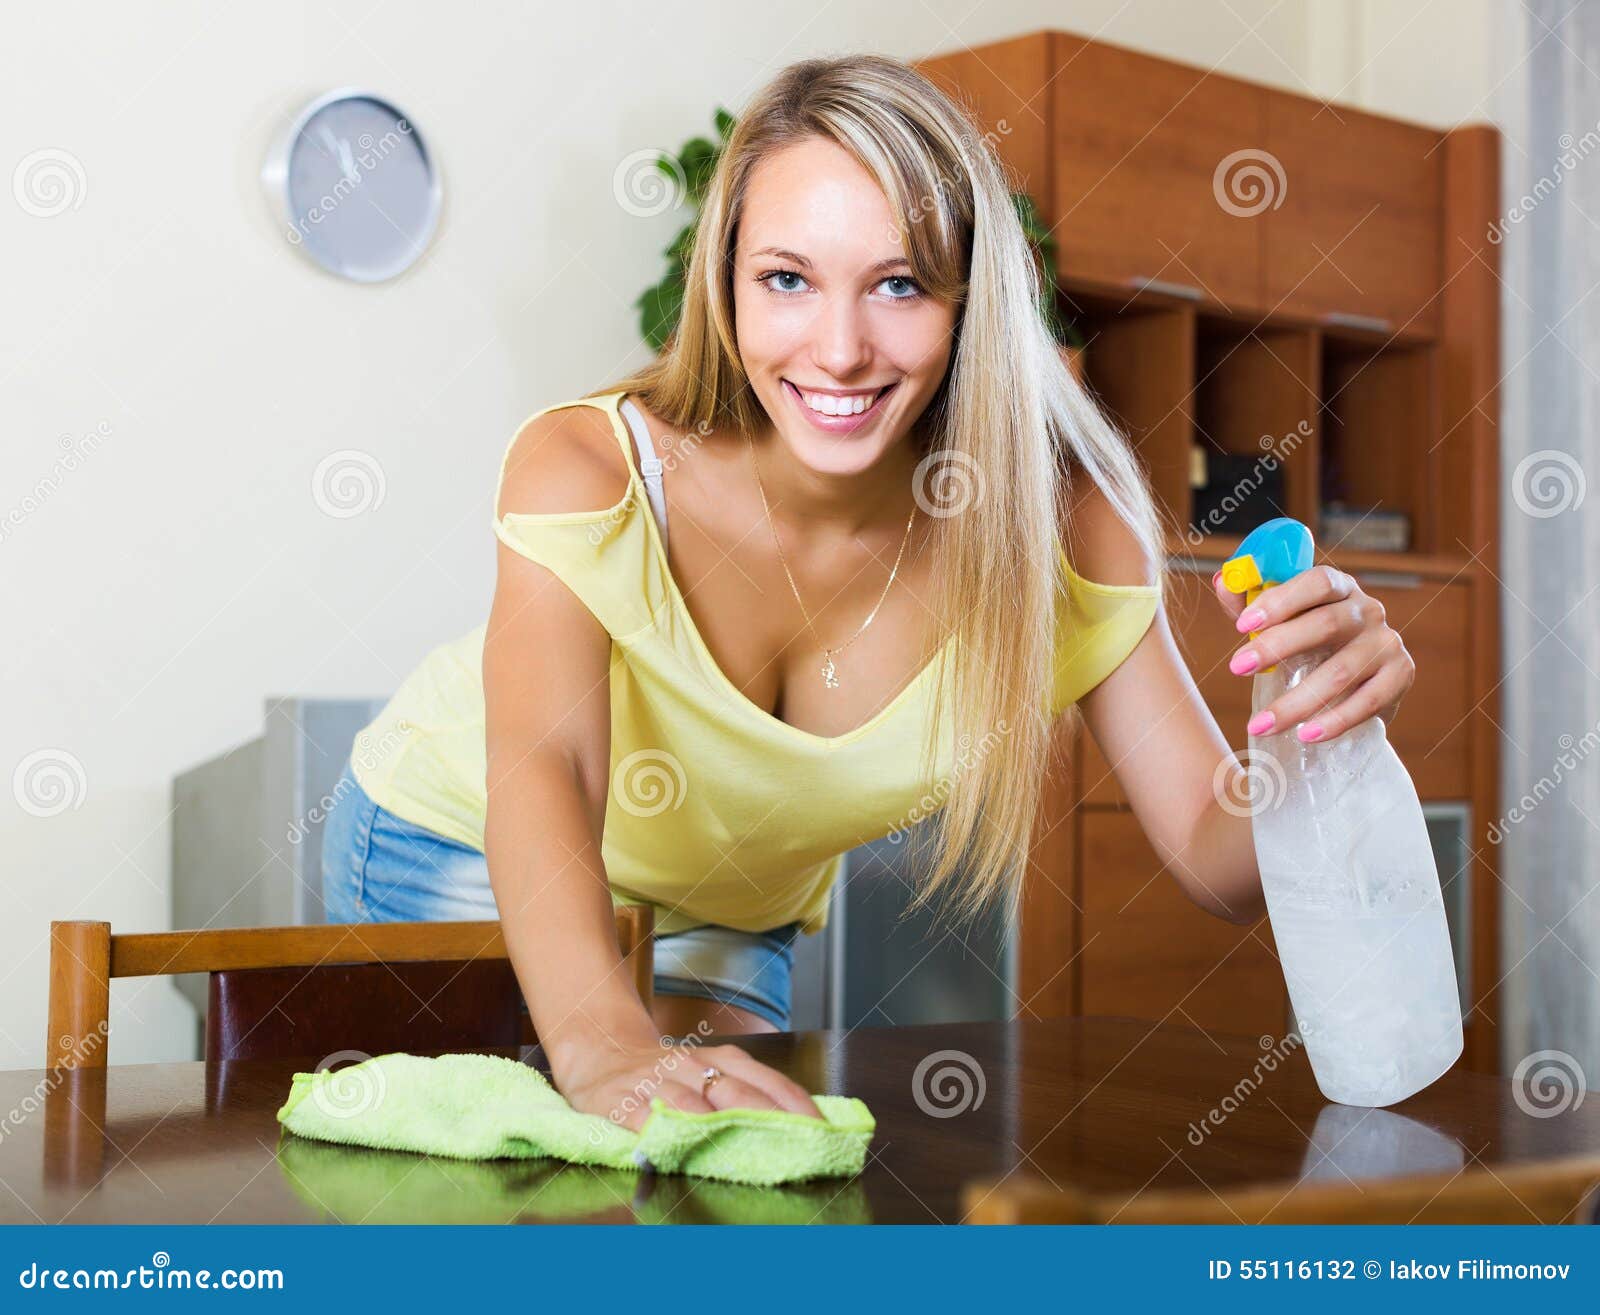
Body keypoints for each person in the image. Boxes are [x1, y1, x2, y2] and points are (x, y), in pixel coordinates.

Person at [321, 54, 1415, 1130]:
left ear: (970, 297)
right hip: (452, 844)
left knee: (710, 1186)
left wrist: (1315, 723)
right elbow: (546, 761)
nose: (840, 351)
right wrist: (602, 1043)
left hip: (724, 921)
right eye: (786, 279)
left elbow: (1218, 861)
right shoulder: (592, 471)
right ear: (726, 284)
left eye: (899, 284)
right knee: (472, 1191)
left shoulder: (1062, 533)